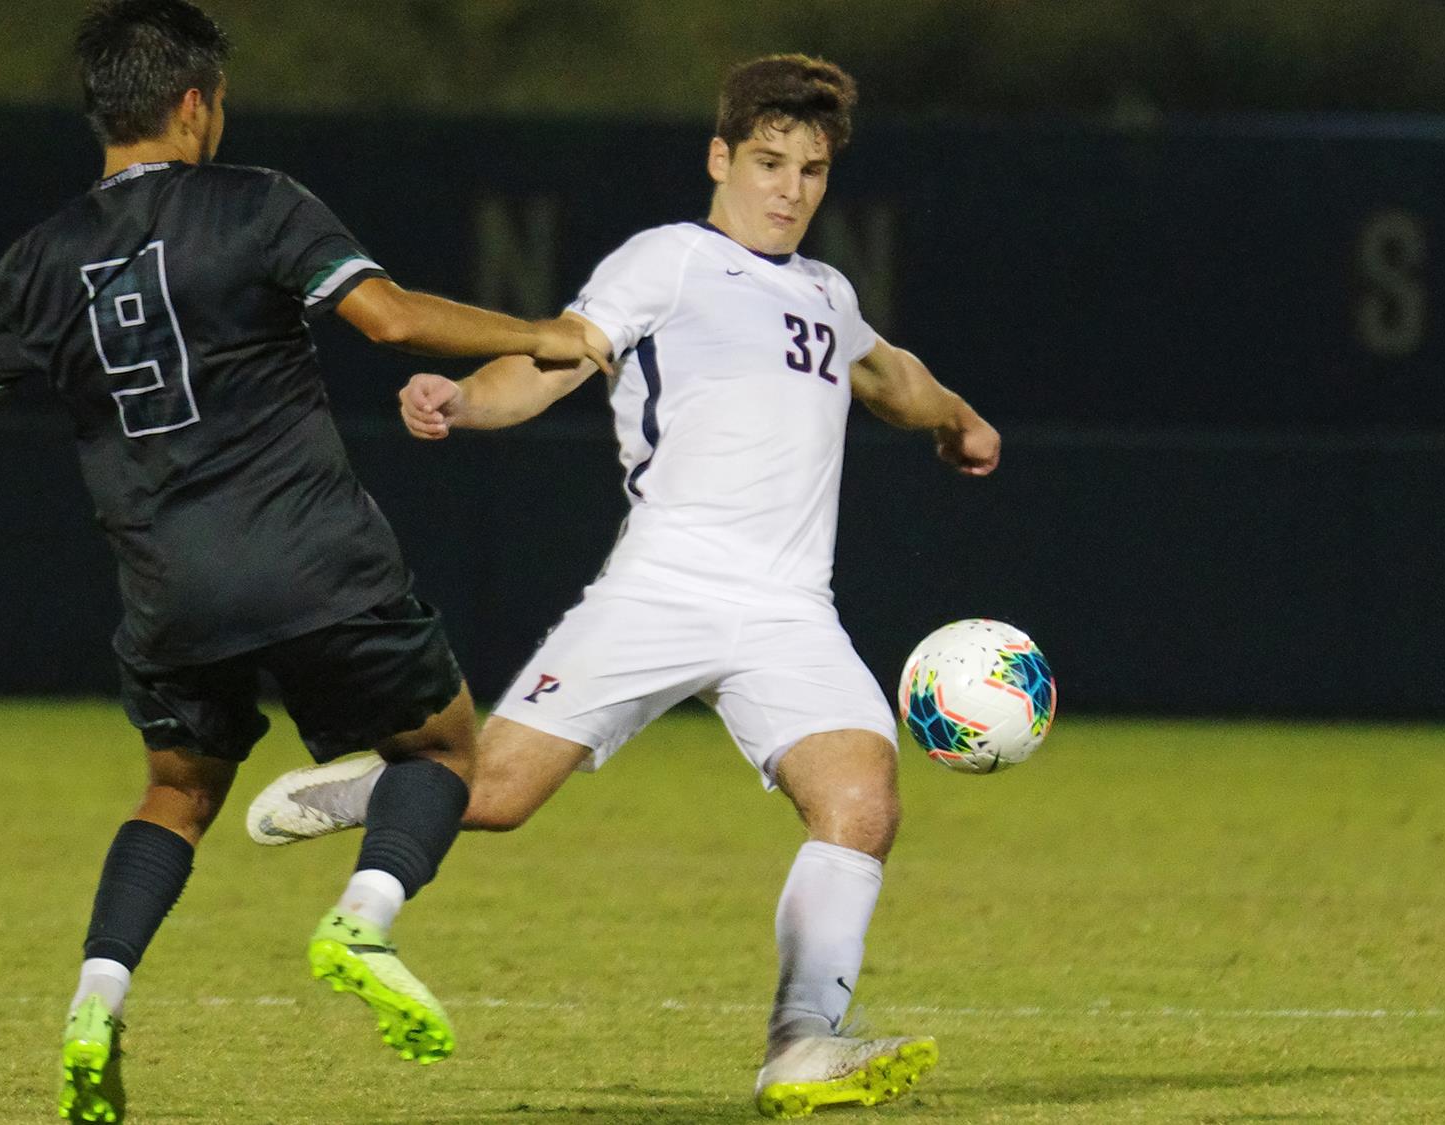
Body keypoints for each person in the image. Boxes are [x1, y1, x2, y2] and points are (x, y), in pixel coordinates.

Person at [0, 2, 611, 1121]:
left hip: (170, 595)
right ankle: (361, 920)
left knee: (174, 793)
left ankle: (96, 997)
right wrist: (544, 335)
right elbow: (393, 320)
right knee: (445, 751)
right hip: (318, 566)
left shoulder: (38, 259)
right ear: (192, 104)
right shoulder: (258, 203)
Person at [244, 53, 1000, 1119]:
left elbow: (889, 375)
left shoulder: (826, 292)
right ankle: (367, 790)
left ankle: (800, 1044)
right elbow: (559, 356)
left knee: (861, 805)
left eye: (812, 170)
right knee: (497, 796)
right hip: (665, 587)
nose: (788, 188)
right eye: (768, 161)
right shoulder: (672, 261)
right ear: (719, 157)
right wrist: (463, 400)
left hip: (789, 614)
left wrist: (958, 420)